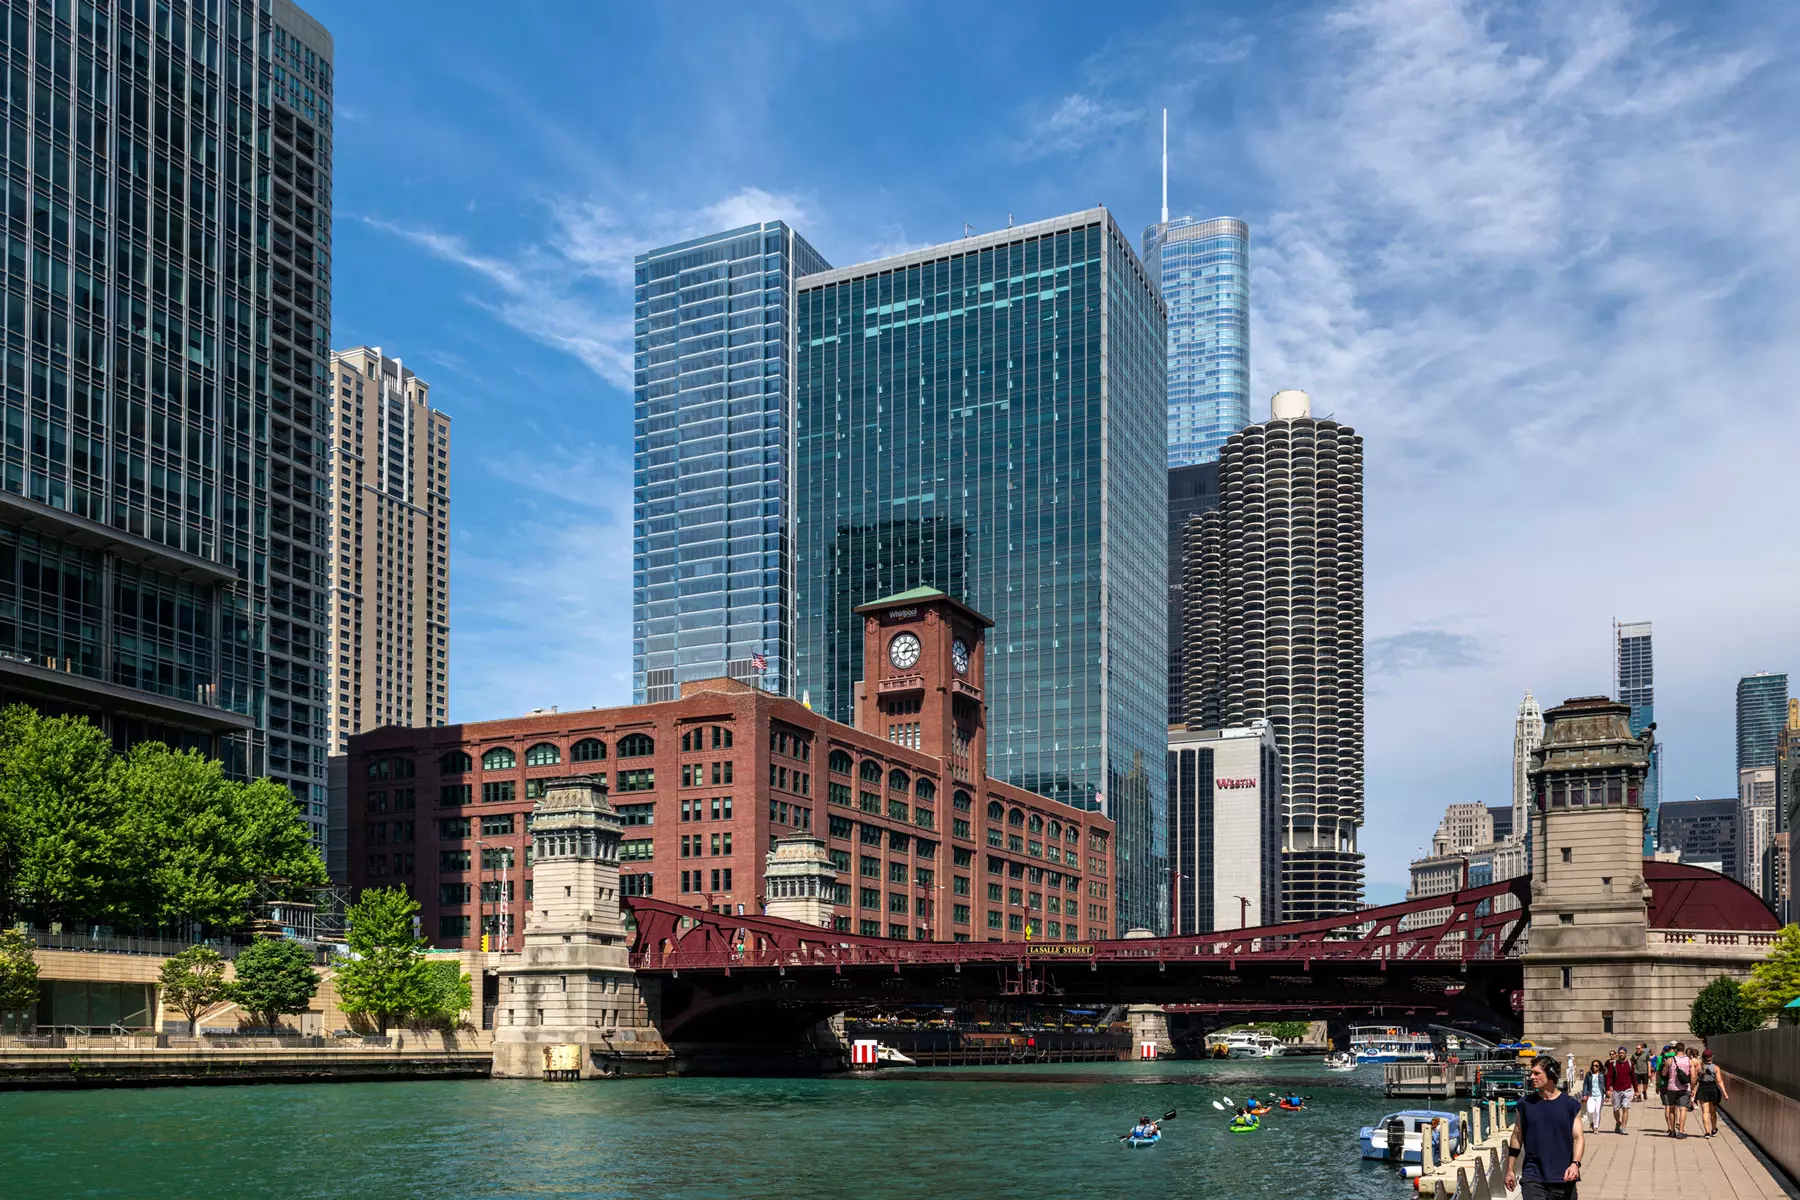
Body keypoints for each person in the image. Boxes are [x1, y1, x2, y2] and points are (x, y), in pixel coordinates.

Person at [1506, 1055, 1584, 1200]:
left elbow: (1578, 1139)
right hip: (1532, 1175)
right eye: (1531, 1073)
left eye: (1536, 1073)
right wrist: (1510, 1169)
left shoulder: (1571, 1106)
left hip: (1564, 1176)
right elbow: (1517, 1136)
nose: (1531, 1077)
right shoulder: (1524, 1104)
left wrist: (1575, 1164)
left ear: (1551, 1074)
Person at [1695, 1049, 1729, 1137]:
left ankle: (1707, 1132)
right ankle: (1713, 1129)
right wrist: (1725, 1093)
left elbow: (1694, 1079)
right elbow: (1719, 1081)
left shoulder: (1699, 1067)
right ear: (1711, 1057)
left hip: (1702, 1089)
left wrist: (1692, 1090)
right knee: (1713, 1111)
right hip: (1713, 1089)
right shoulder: (1716, 1067)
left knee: (1705, 1112)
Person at [1663, 1042, 1693, 1138]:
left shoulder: (1670, 1060)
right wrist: (1691, 1088)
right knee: (1683, 1109)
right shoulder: (1689, 1061)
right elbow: (1693, 1077)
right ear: (1684, 1050)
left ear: (1675, 1050)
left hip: (1672, 1088)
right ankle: (1681, 1131)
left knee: (1672, 1108)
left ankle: (1672, 1130)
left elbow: (1663, 1073)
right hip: (1684, 1088)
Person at [1605, 1046, 1636, 1134]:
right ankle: (1618, 1122)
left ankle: (1624, 1127)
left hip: (1627, 1089)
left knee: (1625, 1108)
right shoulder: (1613, 1064)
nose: (1621, 1054)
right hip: (1616, 1089)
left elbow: (1633, 1077)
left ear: (1626, 1053)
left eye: (1623, 1053)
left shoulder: (1630, 1063)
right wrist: (1608, 1089)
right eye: (1620, 1053)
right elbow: (1609, 1077)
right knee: (1616, 1109)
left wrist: (1636, 1090)